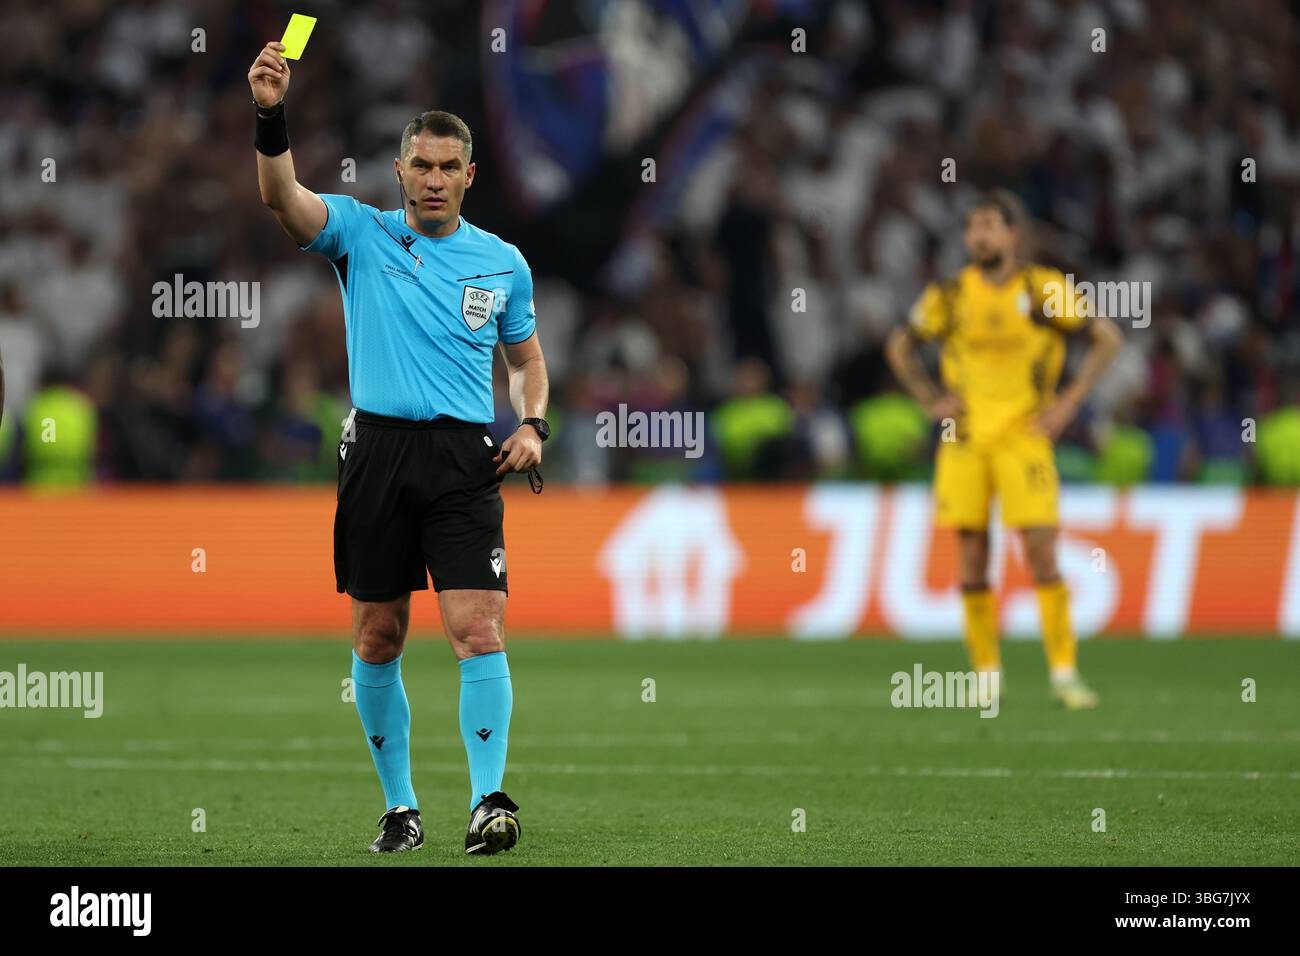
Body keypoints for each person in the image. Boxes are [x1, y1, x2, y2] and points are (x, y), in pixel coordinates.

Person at [249, 41, 551, 853]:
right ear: (399, 167)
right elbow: (282, 198)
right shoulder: (361, 232)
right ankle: (401, 808)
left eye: (448, 166)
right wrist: (271, 112)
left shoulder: (502, 263)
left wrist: (532, 423)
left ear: (468, 176)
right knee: (377, 637)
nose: (432, 178)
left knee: (477, 627)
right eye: (420, 163)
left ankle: (490, 801)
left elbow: (526, 362)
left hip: (463, 459)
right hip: (376, 453)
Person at [885, 190, 1122, 708]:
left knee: (1040, 551)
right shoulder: (949, 295)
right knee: (971, 559)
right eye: (972, 228)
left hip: (1024, 438)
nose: (979, 236)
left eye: (990, 225)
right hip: (965, 442)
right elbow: (899, 344)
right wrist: (929, 399)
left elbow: (1107, 337)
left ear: (1013, 234)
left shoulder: (1043, 290)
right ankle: (986, 677)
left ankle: (1064, 673)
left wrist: (1068, 405)